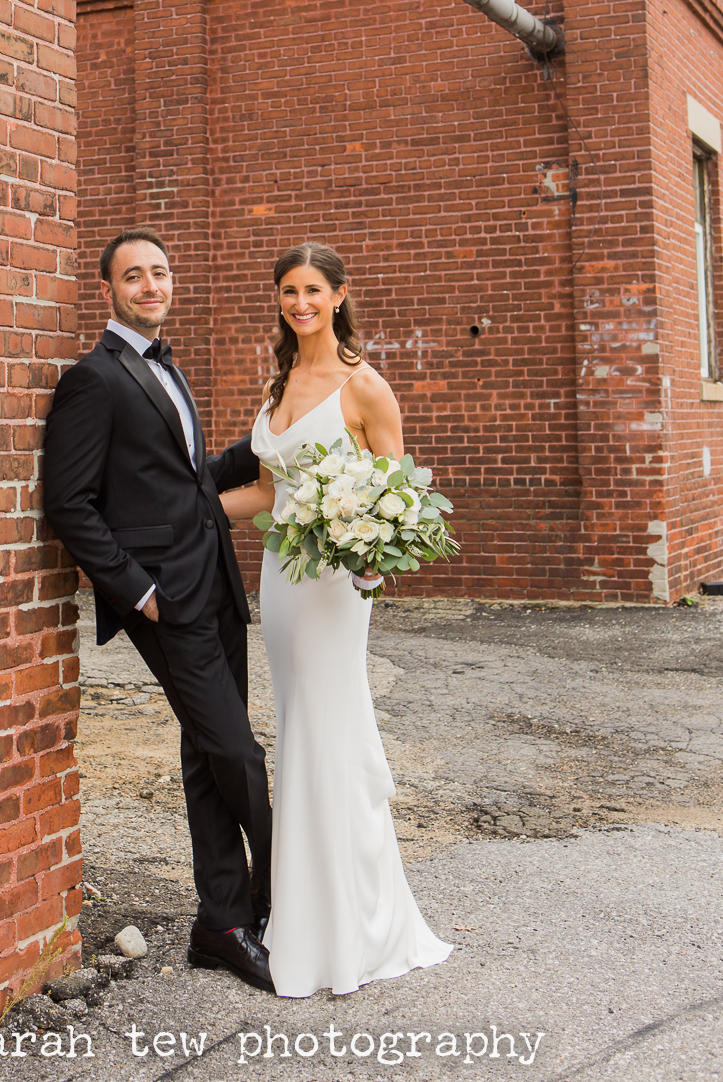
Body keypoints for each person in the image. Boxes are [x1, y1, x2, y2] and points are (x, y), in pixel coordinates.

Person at [219, 241, 453, 998]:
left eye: (313, 289)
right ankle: (306, 912)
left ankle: (347, 927)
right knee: (297, 729)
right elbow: (263, 492)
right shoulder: (280, 379)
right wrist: (176, 514)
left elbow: (401, 500)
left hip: (334, 584)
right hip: (283, 582)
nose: (299, 303)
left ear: (339, 295)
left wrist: (369, 553)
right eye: (288, 291)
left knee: (327, 731)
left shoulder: (365, 387)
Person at [42, 228, 274, 992]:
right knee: (238, 752)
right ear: (107, 289)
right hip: (165, 602)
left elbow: (184, 481)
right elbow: (70, 504)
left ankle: (222, 924)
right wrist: (137, 591)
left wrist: (266, 441)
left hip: (217, 586)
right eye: (134, 276)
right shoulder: (93, 379)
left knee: (208, 758)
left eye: (160, 273)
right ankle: (282, 888)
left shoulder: (168, 368)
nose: (151, 285)